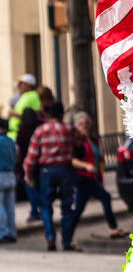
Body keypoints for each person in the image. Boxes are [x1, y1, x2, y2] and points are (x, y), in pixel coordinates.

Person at [23, 101, 83, 252]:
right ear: (62, 113)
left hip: (47, 171)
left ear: (49, 114)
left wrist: (27, 174)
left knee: (45, 205)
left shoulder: (41, 130)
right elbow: (80, 142)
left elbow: (32, 156)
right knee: (67, 205)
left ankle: (50, 237)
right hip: (65, 170)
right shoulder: (70, 129)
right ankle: (66, 240)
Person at [69, 111, 127, 239]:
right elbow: (72, 160)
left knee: (78, 209)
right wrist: (86, 166)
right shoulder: (76, 142)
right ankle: (113, 228)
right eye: (80, 124)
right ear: (76, 126)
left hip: (92, 178)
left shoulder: (93, 140)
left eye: (86, 123)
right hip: (82, 177)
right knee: (105, 197)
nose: (84, 126)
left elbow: (98, 157)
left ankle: (67, 236)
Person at [8, 73, 39, 142]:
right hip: (14, 135)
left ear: (28, 85)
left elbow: (35, 116)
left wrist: (15, 114)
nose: (19, 86)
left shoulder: (33, 96)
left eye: (22, 84)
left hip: (22, 136)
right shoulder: (24, 96)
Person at [0, 117, 16, 243]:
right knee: (10, 207)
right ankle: (11, 231)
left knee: (0, 207)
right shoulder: (11, 142)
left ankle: (2, 232)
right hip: (11, 175)